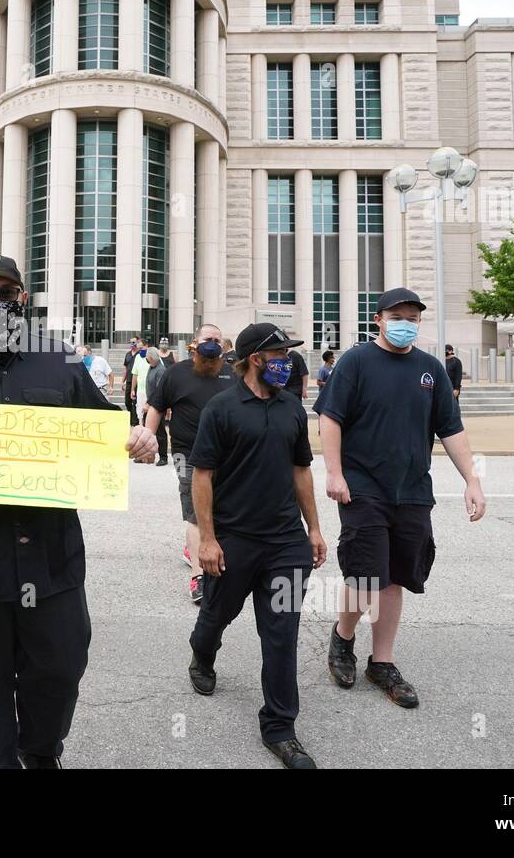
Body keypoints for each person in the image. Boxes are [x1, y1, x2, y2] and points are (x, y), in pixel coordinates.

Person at [0, 253, 158, 768]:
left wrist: (136, 438)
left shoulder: (61, 360)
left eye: (5, 292)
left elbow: (102, 429)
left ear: (23, 297)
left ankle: (41, 751)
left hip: (50, 565)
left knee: (61, 672)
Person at [315, 288, 486, 709]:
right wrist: (334, 473)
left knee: (396, 576)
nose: (405, 321)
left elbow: (451, 429)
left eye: (413, 316)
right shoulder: (356, 362)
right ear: (379, 319)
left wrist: (472, 480)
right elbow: (329, 418)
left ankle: (383, 662)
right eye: (397, 314)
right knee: (364, 572)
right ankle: (344, 638)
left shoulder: (431, 369)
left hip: (412, 491)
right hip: (362, 486)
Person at [187, 323, 327, 769]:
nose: (286, 360)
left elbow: (301, 470)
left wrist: (315, 530)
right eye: (278, 353)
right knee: (217, 614)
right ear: (253, 358)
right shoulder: (222, 409)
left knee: (282, 634)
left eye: (288, 353)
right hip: (234, 541)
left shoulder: (291, 409)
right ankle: (202, 654)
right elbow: (202, 475)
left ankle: (280, 729)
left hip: (285, 543)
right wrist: (207, 539)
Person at [145, 324, 236, 605]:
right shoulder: (177, 372)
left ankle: (205, 553)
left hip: (228, 454)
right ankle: (199, 575)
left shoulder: (233, 374)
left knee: (223, 509)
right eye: (208, 339)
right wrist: (148, 437)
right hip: (189, 455)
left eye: (217, 340)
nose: (213, 344)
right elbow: (157, 407)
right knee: (196, 511)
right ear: (194, 344)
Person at [143, 348, 170, 467]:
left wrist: (149, 403)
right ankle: (146, 455)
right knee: (146, 430)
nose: (147, 362)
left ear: (153, 358)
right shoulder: (152, 366)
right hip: (150, 402)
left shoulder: (160, 370)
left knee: (160, 431)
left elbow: (159, 390)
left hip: (157, 404)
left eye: (149, 360)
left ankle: (163, 457)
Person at [130, 338, 153, 437]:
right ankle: (141, 432)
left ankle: (150, 432)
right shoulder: (138, 357)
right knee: (140, 412)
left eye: (141, 348)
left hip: (151, 391)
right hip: (140, 390)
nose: (140, 350)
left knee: (150, 413)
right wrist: (132, 389)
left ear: (146, 346)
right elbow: (135, 374)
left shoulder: (153, 356)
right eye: (138, 348)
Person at [122, 337, 140, 426]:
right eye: (130, 342)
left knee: (135, 402)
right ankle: (130, 419)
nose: (132, 344)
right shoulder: (128, 354)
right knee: (127, 401)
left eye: (133, 342)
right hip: (129, 381)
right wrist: (122, 381)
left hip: (137, 381)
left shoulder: (140, 354)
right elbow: (125, 369)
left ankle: (135, 421)